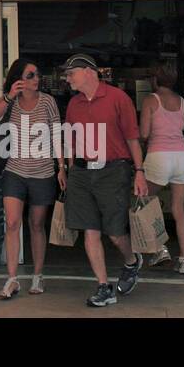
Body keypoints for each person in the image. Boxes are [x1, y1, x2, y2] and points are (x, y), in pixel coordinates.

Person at [60, 53, 148, 307]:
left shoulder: (118, 98)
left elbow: (133, 138)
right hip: (81, 172)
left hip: (113, 170)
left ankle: (131, 261)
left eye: (70, 73)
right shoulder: (74, 104)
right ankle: (103, 286)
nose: (67, 79)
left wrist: (139, 172)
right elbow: (71, 140)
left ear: (89, 72)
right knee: (90, 230)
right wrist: (64, 168)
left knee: (115, 233)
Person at [0, 58, 64, 299]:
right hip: (14, 171)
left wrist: (61, 166)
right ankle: (12, 279)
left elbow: (56, 134)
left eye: (37, 75)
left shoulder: (48, 102)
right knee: (11, 223)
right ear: (19, 79)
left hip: (42, 173)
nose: (37, 79)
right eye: (31, 75)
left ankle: (38, 275)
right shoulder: (11, 102)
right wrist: (9, 96)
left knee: (36, 225)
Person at [140, 63, 184, 274]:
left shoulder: (150, 100)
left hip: (158, 155)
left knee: (143, 201)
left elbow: (144, 133)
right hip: (182, 157)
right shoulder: (182, 103)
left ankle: (160, 248)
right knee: (178, 210)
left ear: (156, 80)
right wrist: (177, 139)